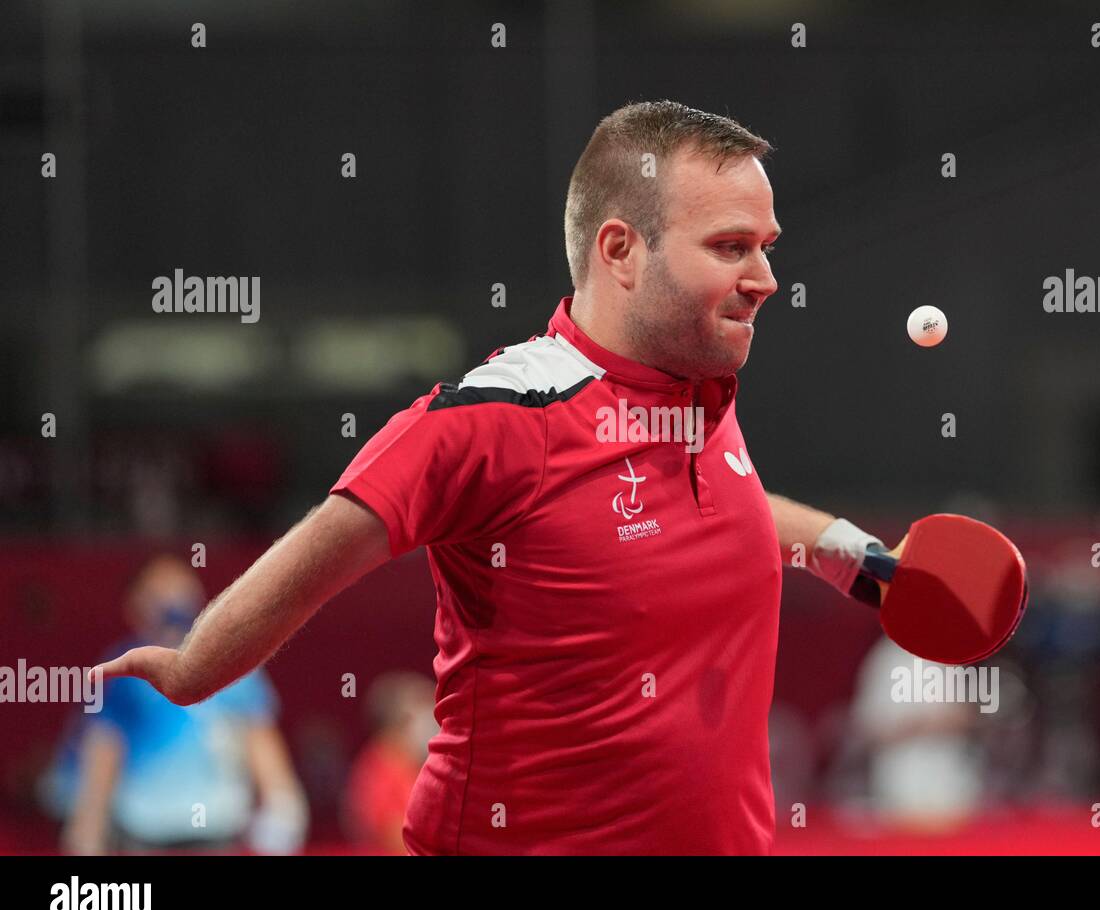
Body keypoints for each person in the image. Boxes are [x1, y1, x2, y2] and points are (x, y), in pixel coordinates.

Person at [97, 101, 890, 855]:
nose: (765, 278)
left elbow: (733, 508)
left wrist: (860, 559)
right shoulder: (503, 415)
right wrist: (194, 667)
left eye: (766, 246)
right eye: (730, 247)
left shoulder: (696, 393)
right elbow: (327, 542)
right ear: (619, 250)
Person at [56, 554, 307, 854]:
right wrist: (88, 822)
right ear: (134, 606)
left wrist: (283, 800)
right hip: (144, 833)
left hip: (216, 831)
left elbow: (256, 733)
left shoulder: (231, 658)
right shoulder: (122, 668)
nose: (173, 596)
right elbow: (105, 745)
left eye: (180, 586)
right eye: (160, 588)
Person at [342, 672, 439, 854]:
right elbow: (400, 839)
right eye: (427, 711)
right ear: (402, 722)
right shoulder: (379, 772)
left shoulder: (411, 767)